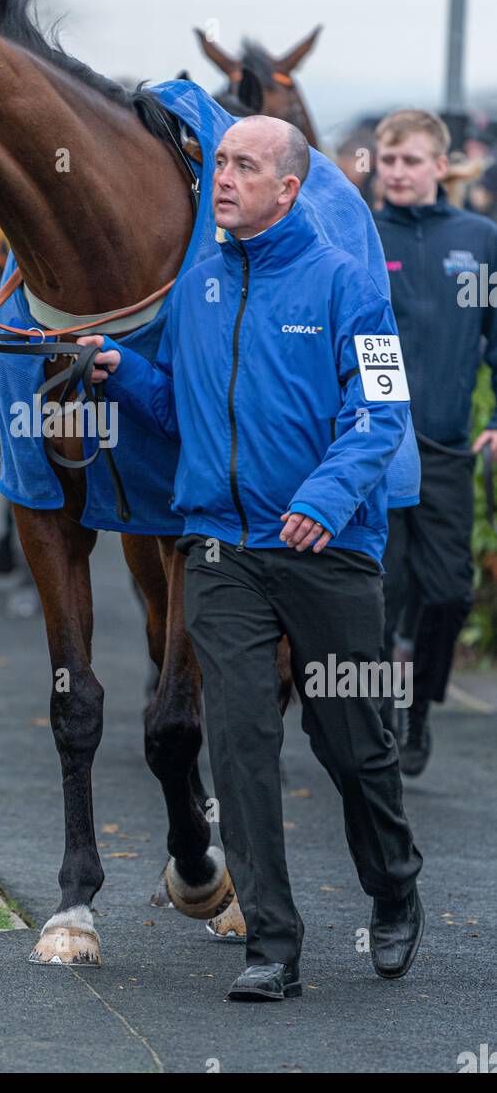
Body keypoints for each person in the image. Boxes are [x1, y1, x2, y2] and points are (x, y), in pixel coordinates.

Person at [77, 115, 423, 1002]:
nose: (222, 178)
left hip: (329, 552)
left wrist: (324, 498)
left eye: (244, 165)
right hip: (220, 557)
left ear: (289, 189)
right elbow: (186, 412)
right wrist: (124, 369)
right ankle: (273, 944)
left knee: (354, 745)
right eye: (220, 163)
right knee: (237, 744)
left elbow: (381, 414)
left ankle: (393, 884)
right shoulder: (196, 290)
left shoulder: (350, 287)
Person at [374, 110, 497, 775]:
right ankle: (386, 716)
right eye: (388, 162)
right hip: (374, 447)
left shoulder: (479, 239)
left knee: (448, 592)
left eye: (410, 162)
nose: (397, 173)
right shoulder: (362, 235)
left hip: (447, 447)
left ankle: (420, 707)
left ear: (438, 166)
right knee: (384, 592)